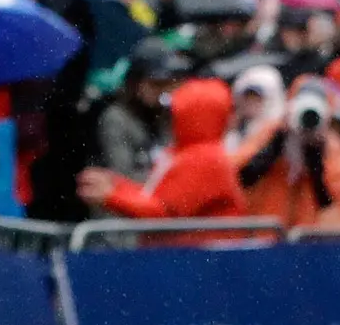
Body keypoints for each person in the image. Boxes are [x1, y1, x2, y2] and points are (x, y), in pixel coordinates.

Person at [77, 77, 243, 221]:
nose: (171, 114)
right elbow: (155, 197)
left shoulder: (206, 159)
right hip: (184, 253)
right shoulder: (185, 154)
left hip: (205, 255)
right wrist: (117, 186)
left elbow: (164, 213)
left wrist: (113, 196)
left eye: (177, 109)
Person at [234, 76, 340, 229]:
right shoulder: (269, 134)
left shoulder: (332, 149)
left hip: (310, 242)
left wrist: (317, 167)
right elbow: (239, 180)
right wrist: (275, 145)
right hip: (266, 237)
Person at [94, 42, 175, 184]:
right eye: (156, 83)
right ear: (136, 83)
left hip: (158, 197)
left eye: (168, 83)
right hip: (125, 200)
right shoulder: (116, 118)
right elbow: (122, 175)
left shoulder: (165, 114)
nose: (163, 90)